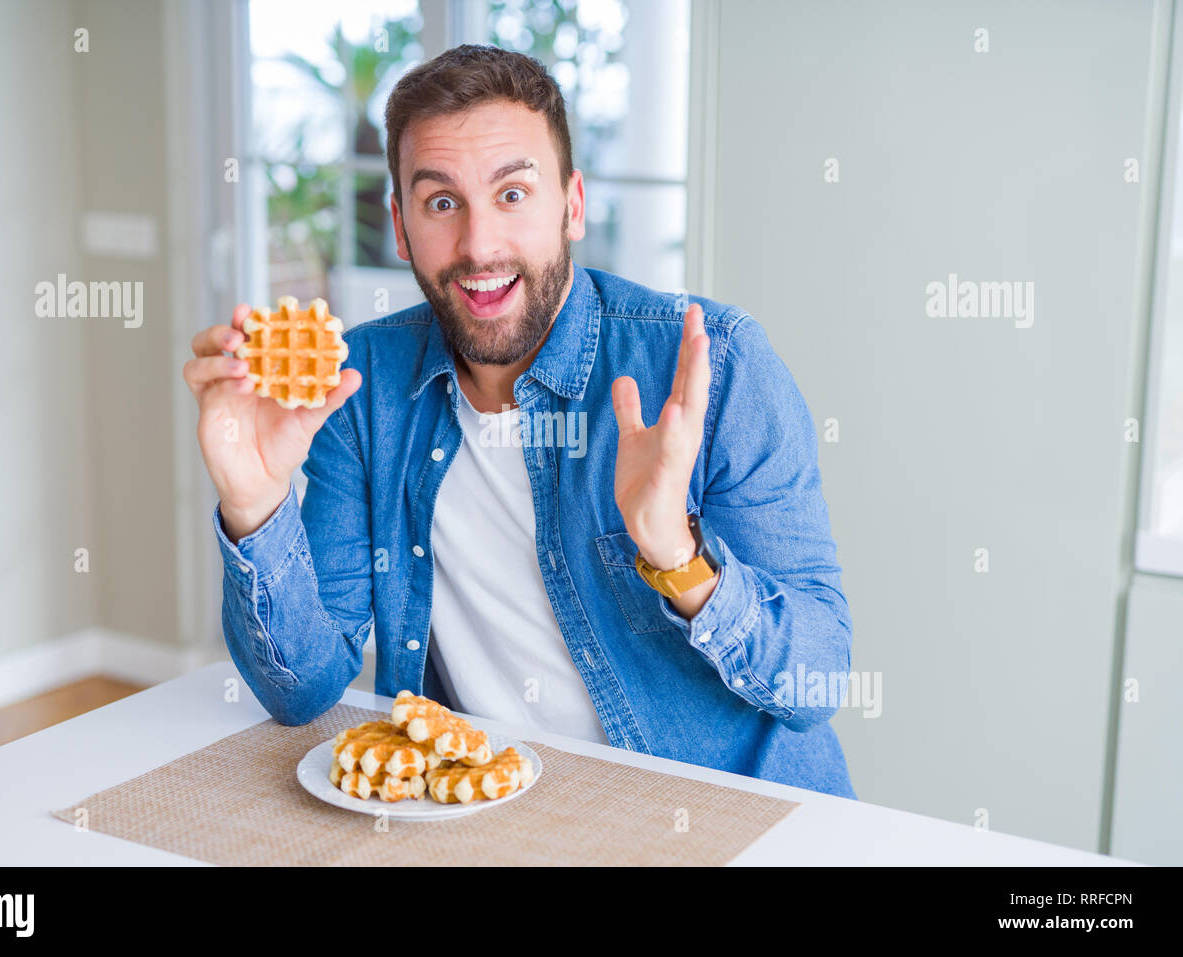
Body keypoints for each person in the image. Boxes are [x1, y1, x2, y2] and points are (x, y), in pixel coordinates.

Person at [183, 44, 856, 798]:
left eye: (512, 194)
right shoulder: (356, 390)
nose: (478, 246)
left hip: (726, 819)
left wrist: (678, 554)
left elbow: (819, 679)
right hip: (490, 816)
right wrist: (253, 503)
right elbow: (302, 692)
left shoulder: (715, 364)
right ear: (401, 227)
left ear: (571, 205)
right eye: (442, 202)